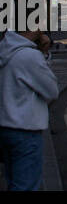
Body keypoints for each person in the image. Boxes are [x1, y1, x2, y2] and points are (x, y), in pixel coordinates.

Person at [0, 29, 60, 190]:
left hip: (5, 127)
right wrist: (43, 55)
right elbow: (51, 90)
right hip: (25, 131)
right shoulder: (29, 56)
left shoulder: (4, 48)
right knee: (26, 185)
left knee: (14, 181)